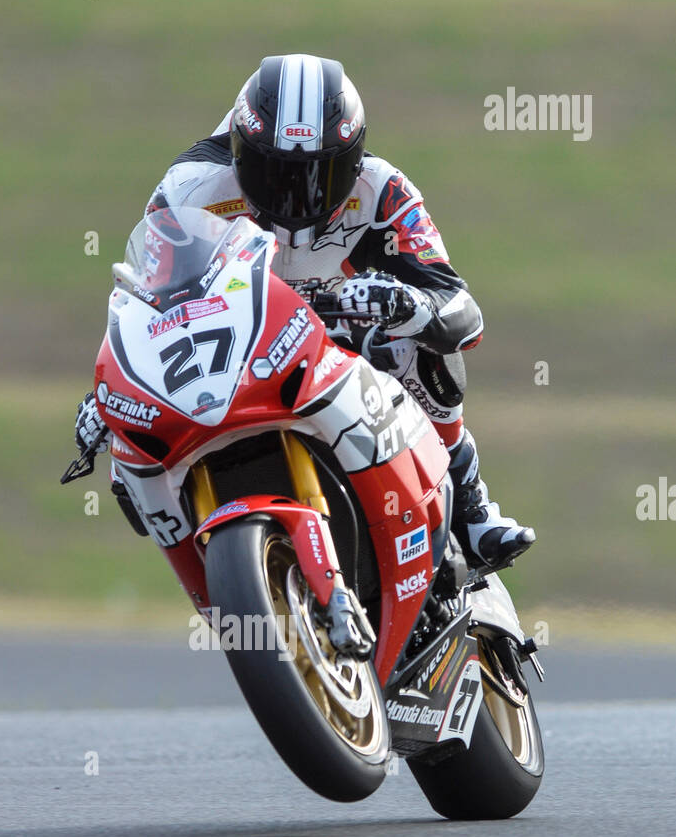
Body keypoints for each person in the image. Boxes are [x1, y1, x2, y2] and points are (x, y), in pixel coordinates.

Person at [74, 53, 534, 569]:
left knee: (422, 346)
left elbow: (461, 308)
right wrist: (110, 394)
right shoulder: (190, 189)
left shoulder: (383, 189)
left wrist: (408, 304)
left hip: (337, 344)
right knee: (128, 471)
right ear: (240, 153)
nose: (297, 197)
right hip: (235, 358)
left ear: (355, 159)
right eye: (275, 173)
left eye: (322, 174)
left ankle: (469, 505)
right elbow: (143, 300)